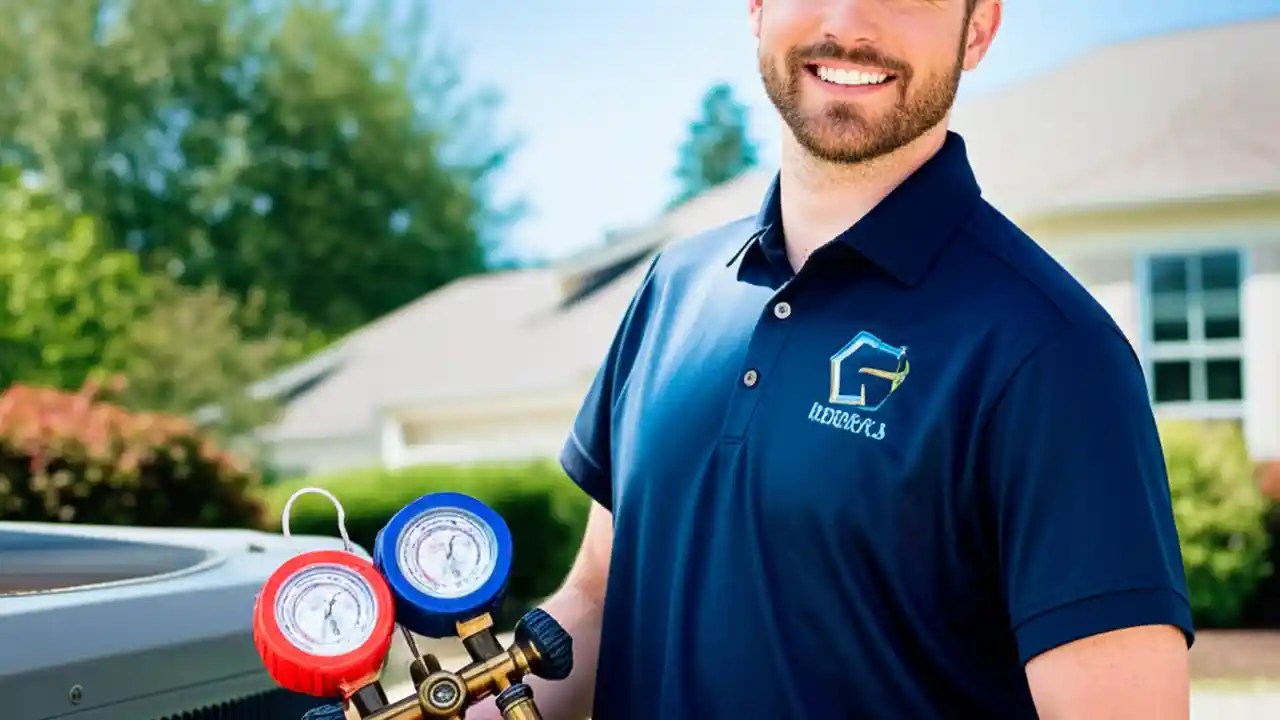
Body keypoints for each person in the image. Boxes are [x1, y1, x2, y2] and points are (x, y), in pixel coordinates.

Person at [381, 1, 1197, 718]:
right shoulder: (674, 289)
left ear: (978, 26)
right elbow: (596, 603)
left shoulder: (1051, 351)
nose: (851, 22)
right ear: (756, 7)